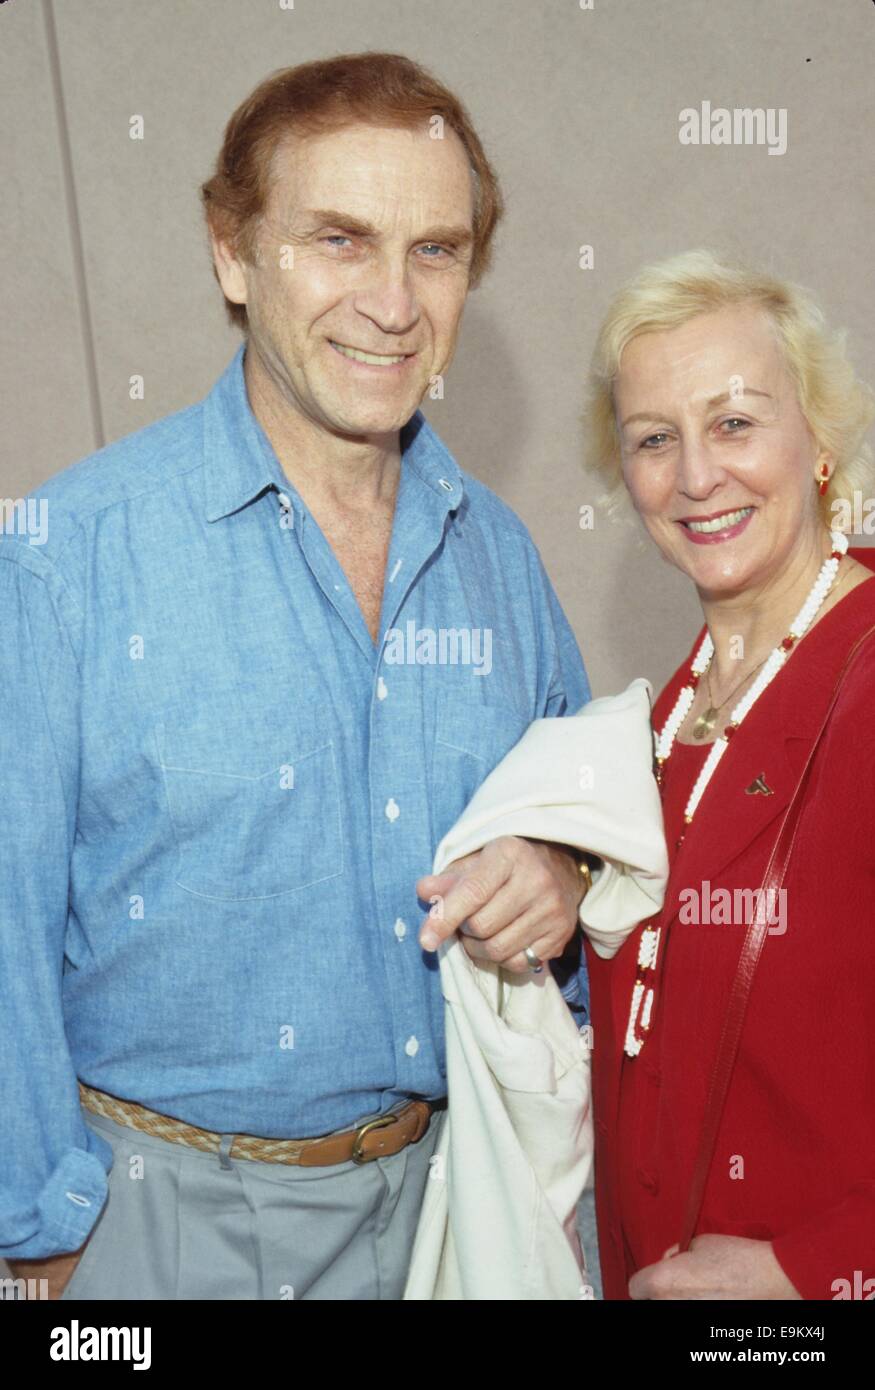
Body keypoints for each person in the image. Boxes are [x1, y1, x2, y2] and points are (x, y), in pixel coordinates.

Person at [0, 52, 591, 1302]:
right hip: (142, 1238)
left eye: (433, 250)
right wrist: (34, 1226)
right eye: (337, 239)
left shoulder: (499, 561)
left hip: (453, 1213)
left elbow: (587, 839)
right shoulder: (67, 559)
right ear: (231, 254)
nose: (390, 301)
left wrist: (562, 871)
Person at [581, 249, 875, 1299]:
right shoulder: (667, 718)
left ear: (821, 439)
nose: (695, 475)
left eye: (735, 422)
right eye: (653, 439)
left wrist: (816, 1273)